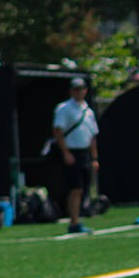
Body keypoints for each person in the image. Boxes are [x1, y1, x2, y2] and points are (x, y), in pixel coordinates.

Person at [51, 76, 99, 235]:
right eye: (76, 89)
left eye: (82, 89)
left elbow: (92, 136)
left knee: (83, 188)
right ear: (71, 91)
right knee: (75, 188)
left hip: (85, 153)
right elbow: (58, 131)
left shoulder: (88, 111)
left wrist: (94, 158)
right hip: (72, 152)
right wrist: (66, 152)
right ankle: (74, 221)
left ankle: (79, 217)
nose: (79, 92)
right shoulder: (64, 108)